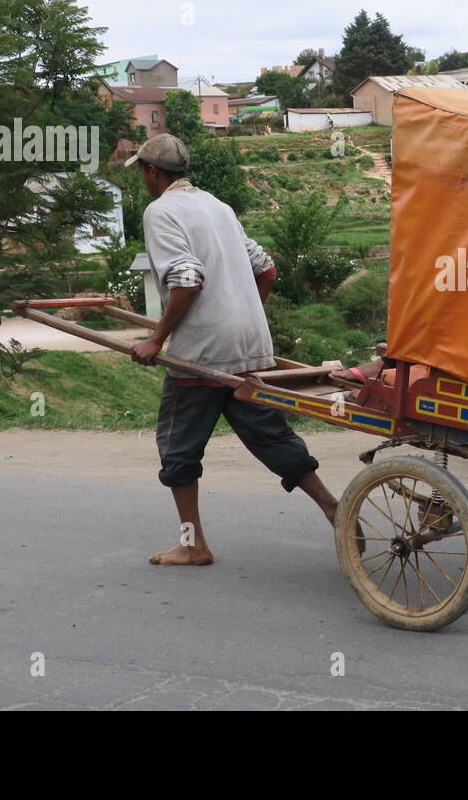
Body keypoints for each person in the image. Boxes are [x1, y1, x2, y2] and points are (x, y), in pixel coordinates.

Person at [124, 134, 339, 563]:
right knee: (272, 436)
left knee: (178, 448)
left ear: (152, 171)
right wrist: (241, 314)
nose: (142, 181)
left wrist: (156, 338)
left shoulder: (160, 211)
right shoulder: (217, 205)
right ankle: (336, 510)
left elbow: (186, 279)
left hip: (200, 355)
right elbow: (266, 267)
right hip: (250, 343)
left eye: (142, 173)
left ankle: (192, 545)